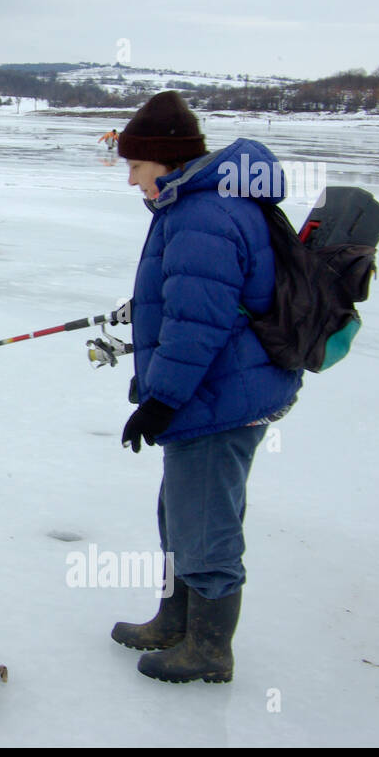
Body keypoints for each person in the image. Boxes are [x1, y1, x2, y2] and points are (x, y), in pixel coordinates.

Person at [111, 90, 302, 684]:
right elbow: (187, 300)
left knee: (204, 522)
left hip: (219, 395)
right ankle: (176, 621)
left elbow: (199, 323)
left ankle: (209, 650)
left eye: (136, 166)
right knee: (180, 511)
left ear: (166, 159)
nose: (132, 179)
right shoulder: (195, 203)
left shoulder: (203, 214)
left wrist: (162, 400)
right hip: (218, 388)